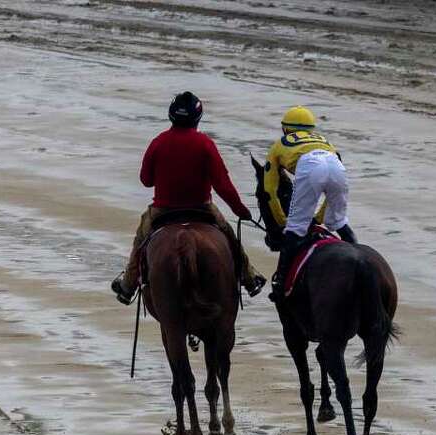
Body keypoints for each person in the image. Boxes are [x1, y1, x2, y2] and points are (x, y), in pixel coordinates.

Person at [112, 91, 263, 306]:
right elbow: (223, 185)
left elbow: (146, 180)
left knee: (140, 241)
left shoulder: (159, 142)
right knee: (228, 236)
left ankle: (128, 285)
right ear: (198, 117)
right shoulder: (205, 144)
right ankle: (249, 278)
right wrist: (241, 211)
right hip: (202, 208)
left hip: (163, 210)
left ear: (171, 115)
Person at [261, 106, 357, 284]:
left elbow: (269, 192)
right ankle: (358, 252)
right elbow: (330, 196)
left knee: (295, 227)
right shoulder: (325, 141)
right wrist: (319, 219)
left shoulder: (278, 145)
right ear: (311, 130)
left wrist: (283, 222)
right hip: (336, 165)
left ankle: (280, 281)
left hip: (310, 165)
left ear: (285, 129)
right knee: (339, 221)